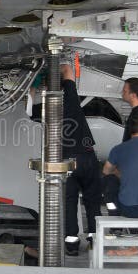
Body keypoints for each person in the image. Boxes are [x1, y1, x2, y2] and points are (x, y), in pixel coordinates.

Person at [60, 63, 101, 256]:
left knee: (69, 203)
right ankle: (94, 239)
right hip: (86, 155)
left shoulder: (43, 115)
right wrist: (59, 65)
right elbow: (68, 71)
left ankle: (72, 244)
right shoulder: (71, 105)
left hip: (67, 161)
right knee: (92, 201)